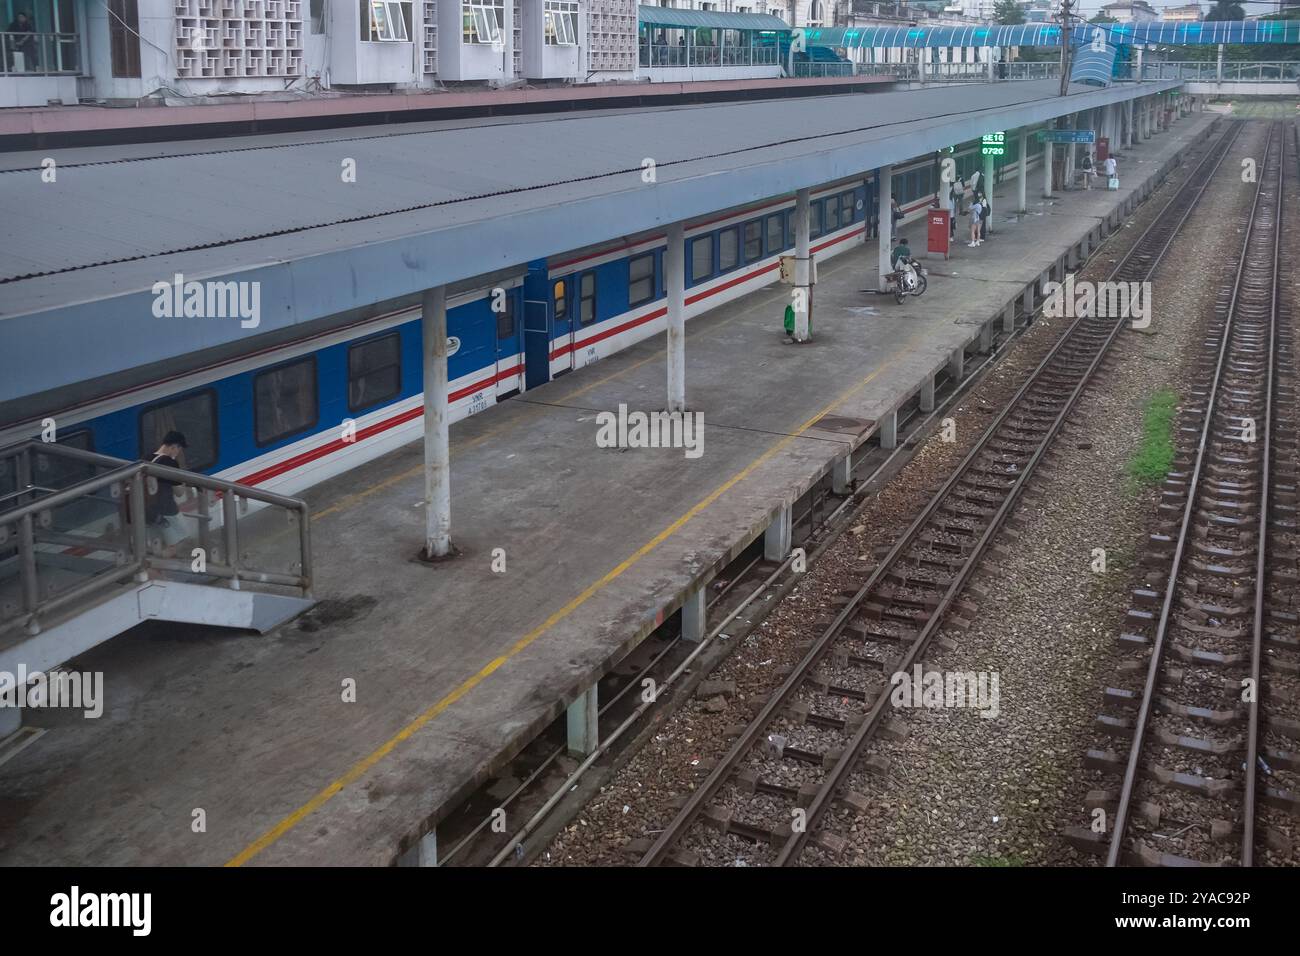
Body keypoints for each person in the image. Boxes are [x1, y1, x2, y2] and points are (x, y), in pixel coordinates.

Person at [145, 431, 189, 555]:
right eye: (179, 448)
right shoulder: (169, 463)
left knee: (156, 545)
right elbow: (179, 492)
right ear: (173, 446)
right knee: (181, 540)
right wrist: (184, 480)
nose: (178, 452)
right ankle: (155, 566)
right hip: (167, 510)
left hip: (147, 512)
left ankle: (156, 571)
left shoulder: (146, 458)